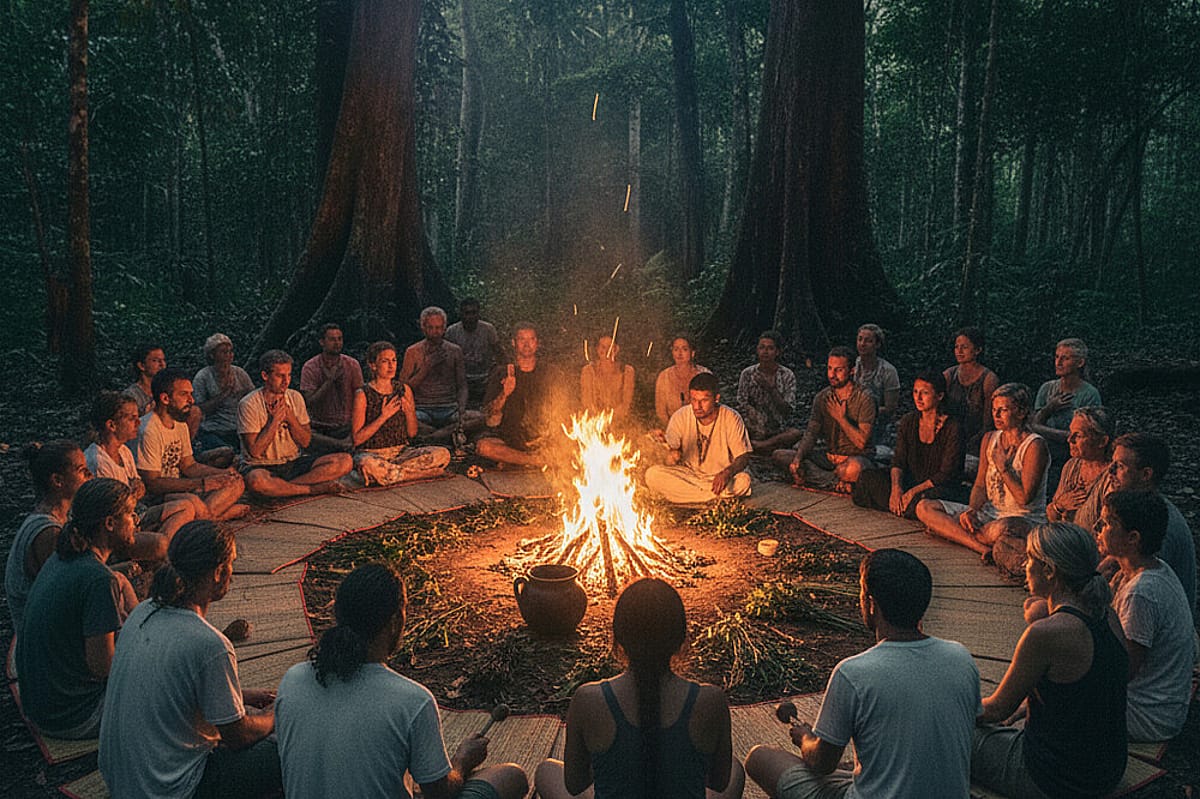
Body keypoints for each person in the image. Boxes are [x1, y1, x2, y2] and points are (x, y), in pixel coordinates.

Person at [277, 563, 528, 799]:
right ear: (396, 620)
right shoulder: (412, 701)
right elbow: (439, 792)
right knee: (511, 776)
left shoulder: (293, 680)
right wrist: (462, 761)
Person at [744, 549, 980, 799]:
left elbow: (822, 762)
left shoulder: (853, 673)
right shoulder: (960, 657)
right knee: (851, 770)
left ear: (871, 604)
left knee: (759, 758)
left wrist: (804, 737)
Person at [99, 521, 282, 797]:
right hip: (170, 789)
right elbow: (237, 735)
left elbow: (165, 687)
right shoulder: (210, 644)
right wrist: (275, 716)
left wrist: (239, 695)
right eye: (231, 564)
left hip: (122, 781)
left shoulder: (143, 611)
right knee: (285, 745)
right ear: (219, 573)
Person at [534, 578, 743, 799]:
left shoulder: (588, 699)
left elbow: (575, 785)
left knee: (547, 771)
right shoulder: (711, 700)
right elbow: (719, 783)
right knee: (735, 769)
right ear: (681, 637)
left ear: (618, 637)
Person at [972, 522, 1128, 799]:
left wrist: (948, 706)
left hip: (1054, 780)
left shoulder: (1046, 634)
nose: (1024, 564)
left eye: (1031, 558)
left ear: (1050, 570)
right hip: (1107, 771)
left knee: (949, 731)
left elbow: (995, 710)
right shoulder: (1108, 616)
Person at [16, 479, 139, 739]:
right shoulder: (97, 579)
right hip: (73, 715)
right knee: (171, 685)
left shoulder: (63, 556)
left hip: (39, 705)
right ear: (109, 523)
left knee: (120, 582)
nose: (135, 520)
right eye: (130, 513)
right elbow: (103, 667)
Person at [1095, 490, 1198, 742]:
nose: (1099, 528)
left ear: (1132, 538)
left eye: (1108, 523)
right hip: (1154, 706)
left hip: (1149, 716)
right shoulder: (1151, 569)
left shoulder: (1142, 592)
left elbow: (1123, 670)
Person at [916, 383, 1049, 568]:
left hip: (1021, 520)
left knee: (1003, 528)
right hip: (989, 515)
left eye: (1002, 410)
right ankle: (980, 547)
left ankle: (953, 532)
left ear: (1021, 412)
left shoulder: (1034, 446)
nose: (996, 415)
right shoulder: (990, 439)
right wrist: (971, 511)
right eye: (994, 409)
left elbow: (1024, 499)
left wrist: (1004, 468)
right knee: (924, 507)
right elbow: (979, 485)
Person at [1083, 433, 1196, 624]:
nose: (1109, 472)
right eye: (1112, 463)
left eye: (1119, 466)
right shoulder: (1132, 511)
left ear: (1146, 474)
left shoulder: (1158, 522)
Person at [238, 349, 353, 497]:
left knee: (345, 461)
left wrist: (291, 418)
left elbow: (305, 442)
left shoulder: (295, 397)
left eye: (289, 375)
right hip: (262, 466)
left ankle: (284, 489)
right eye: (280, 376)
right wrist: (274, 421)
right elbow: (255, 451)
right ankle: (309, 489)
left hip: (293, 462)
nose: (286, 381)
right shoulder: (248, 404)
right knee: (257, 481)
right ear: (265, 376)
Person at [138, 368, 249, 519]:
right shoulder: (149, 430)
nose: (192, 400)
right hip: (155, 498)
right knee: (193, 502)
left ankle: (206, 518)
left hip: (180, 489)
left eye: (191, 394)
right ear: (165, 398)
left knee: (236, 483)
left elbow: (189, 465)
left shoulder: (180, 423)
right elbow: (152, 484)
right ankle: (216, 517)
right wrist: (201, 484)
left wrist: (223, 474)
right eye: (184, 394)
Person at [852, 370, 964, 518]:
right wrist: (896, 488)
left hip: (936, 487)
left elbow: (946, 474)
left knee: (922, 501)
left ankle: (908, 507)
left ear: (939, 396)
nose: (918, 398)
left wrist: (913, 492)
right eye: (915, 392)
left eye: (924, 393)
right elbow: (898, 460)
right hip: (911, 480)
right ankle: (900, 504)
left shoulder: (952, 427)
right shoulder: (909, 421)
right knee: (866, 478)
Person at [5, 441, 90, 634]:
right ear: (57, 480)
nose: (89, 475)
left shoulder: (62, 518)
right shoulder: (48, 533)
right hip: (42, 641)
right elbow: (68, 594)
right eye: (81, 470)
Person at [86, 391, 195, 540]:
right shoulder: (98, 462)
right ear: (111, 425)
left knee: (186, 507)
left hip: (135, 511)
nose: (138, 423)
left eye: (138, 417)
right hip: (118, 525)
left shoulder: (124, 451)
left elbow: (139, 487)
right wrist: (133, 492)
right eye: (132, 419)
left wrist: (136, 488)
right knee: (183, 511)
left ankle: (155, 545)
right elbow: (112, 507)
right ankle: (154, 548)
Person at [773, 346, 875, 493]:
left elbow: (861, 442)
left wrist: (841, 417)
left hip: (855, 458)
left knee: (854, 469)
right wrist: (798, 459)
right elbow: (811, 433)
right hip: (829, 457)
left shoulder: (864, 398)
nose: (832, 375)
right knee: (780, 456)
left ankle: (825, 479)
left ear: (851, 370)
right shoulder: (822, 397)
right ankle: (834, 481)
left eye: (838, 370)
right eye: (830, 369)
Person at [351, 341, 451, 486]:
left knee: (442, 454)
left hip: (401, 453)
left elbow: (412, 433)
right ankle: (420, 475)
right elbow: (357, 440)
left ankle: (393, 474)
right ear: (373, 365)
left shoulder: (403, 390)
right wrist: (383, 416)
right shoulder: (363, 394)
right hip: (372, 453)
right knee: (366, 464)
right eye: (385, 361)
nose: (391, 366)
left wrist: (409, 411)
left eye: (394, 360)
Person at [644, 373, 752, 504]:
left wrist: (727, 472)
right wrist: (661, 442)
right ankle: (712, 497)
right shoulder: (681, 415)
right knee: (652, 474)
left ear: (716, 398)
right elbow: (672, 446)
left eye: (704, 400)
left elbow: (743, 457)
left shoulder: (731, 417)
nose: (697, 406)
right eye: (693, 399)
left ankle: (688, 496)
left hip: (722, 477)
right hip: (690, 476)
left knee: (743, 481)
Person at [477, 323, 566, 468]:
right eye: (521, 339)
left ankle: (517, 461)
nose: (526, 344)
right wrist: (504, 394)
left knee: (574, 443)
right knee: (484, 447)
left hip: (542, 440)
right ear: (514, 343)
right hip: (510, 441)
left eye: (531, 339)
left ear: (537, 343)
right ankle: (534, 461)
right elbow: (491, 420)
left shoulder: (550, 372)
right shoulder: (502, 372)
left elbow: (562, 412)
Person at [400, 307, 483, 444]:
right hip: (422, 410)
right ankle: (447, 434)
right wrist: (426, 367)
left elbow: (462, 385)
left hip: (450, 409)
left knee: (481, 418)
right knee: (400, 418)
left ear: (445, 328)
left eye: (439, 328)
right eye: (431, 328)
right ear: (423, 327)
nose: (435, 332)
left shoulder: (454, 351)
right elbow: (402, 387)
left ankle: (433, 436)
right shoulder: (413, 352)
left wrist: (461, 408)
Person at [1031, 338, 1102, 487]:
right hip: (1043, 454)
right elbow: (1033, 424)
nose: (1059, 362)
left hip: (1072, 457)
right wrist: (1049, 408)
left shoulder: (1089, 394)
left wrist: (1044, 430)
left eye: (1065, 358)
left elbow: (1086, 435)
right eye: (1057, 357)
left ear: (1080, 363)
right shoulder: (1047, 389)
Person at [942, 326, 1001, 468]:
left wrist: (976, 441)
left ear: (977, 350)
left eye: (965, 347)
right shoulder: (949, 375)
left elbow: (989, 422)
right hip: (950, 435)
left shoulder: (988, 379)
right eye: (957, 347)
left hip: (976, 439)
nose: (959, 351)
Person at [737, 331, 802, 454]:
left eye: (770, 348)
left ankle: (762, 446)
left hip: (777, 430)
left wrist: (771, 389)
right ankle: (758, 444)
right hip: (752, 427)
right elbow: (741, 404)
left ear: (777, 352)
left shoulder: (787, 375)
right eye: (762, 347)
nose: (765, 352)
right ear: (757, 350)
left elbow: (788, 411)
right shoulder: (747, 374)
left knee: (795, 433)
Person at [1046, 407, 1114, 525]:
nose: (1069, 440)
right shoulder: (1072, 465)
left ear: (1102, 441)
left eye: (1078, 435)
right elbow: (1051, 515)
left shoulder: (1113, 477)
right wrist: (1059, 506)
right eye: (1071, 433)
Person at [300, 322, 364, 446]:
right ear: (322, 342)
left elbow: (360, 396)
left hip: (347, 426)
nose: (337, 343)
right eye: (332, 339)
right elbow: (310, 402)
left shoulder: (352, 364)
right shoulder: (311, 367)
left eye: (339, 339)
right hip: (321, 427)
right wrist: (329, 381)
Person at [193, 333, 254, 453]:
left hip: (239, 428)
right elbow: (199, 409)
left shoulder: (239, 373)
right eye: (224, 352)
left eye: (230, 352)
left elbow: (253, 397)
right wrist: (223, 395)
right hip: (214, 429)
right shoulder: (203, 377)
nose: (228, 355)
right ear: (212, 355)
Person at [445, 297, 502, 409]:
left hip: (485, 378)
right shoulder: (452, 331)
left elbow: (500, 353)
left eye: (473, 313)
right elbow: (446, 359)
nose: (470, 317)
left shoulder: (488, 329)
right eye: (467, 313)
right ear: (461, 313)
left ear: (478, 313)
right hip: (461, 380)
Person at [852, 324, 900, 433]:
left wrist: (864, 411)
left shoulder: (888, 371)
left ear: (877, 344)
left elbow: (890, 409)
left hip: (880, 427)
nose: (862, 344)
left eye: (868, 341)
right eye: (860, 339)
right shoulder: (853, 365)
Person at [655, 335, 711, 426]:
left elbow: (711, 408)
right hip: (672, 428)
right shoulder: (664, 377)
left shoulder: (704, 375)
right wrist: (673, 430)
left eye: (684, 349)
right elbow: (661, 412)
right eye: (676, 349)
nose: (680, 353)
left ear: (692, 353)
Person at [580, 334, 636, 422]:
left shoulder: (627, 371)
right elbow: (587, 401)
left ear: (616, 349)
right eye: (603, 347)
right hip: (594, 423)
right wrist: (599, 420)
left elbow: (626, 404)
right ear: (597, 349)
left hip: (620, 423)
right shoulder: (588, 371)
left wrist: (610, 419)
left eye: (610, 347)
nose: (606, 351)